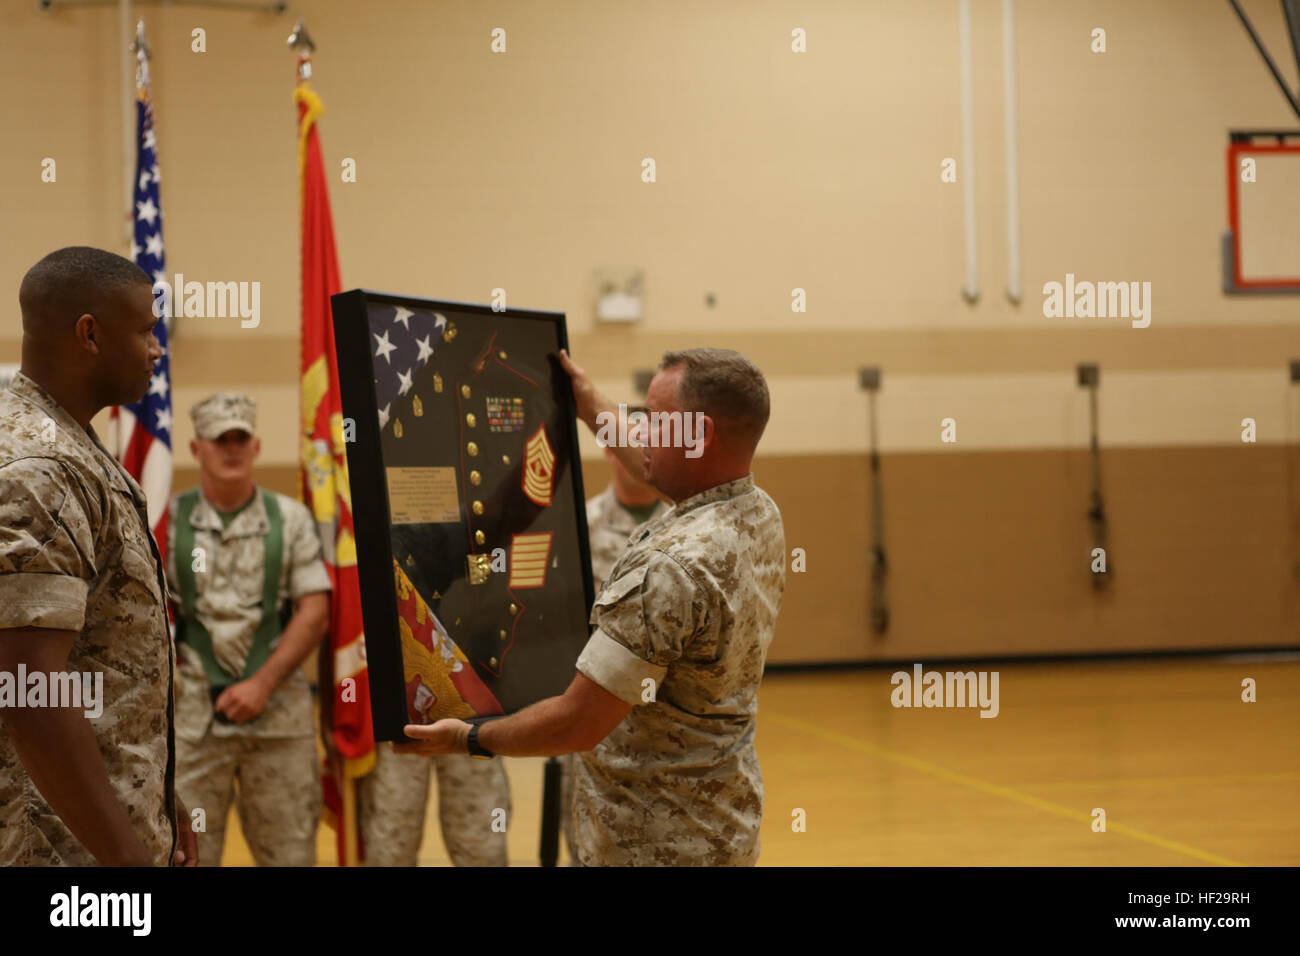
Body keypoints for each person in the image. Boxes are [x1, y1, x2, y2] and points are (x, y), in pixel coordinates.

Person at [398, 346, 786, 866]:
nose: (641, 432)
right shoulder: (755, 513)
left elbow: (580, 721)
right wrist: (585, 403)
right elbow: (656, 467)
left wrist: (470, 737)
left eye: (655, 421)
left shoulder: (668, 568)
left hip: (650, 841)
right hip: (717, 825)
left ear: (699, 436)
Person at [0, 246, 195, 866]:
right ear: (89, 334)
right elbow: (29, 690)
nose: (156, 351)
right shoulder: (40, 469)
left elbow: (102, 661)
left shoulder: (70, 443)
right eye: (145, 332)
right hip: (62, 853)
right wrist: (127, 862)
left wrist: (160, 796)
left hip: (101, 828)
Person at [168, 393, 331, 866]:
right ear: (197, 449)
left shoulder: (291, 518)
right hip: (194, 726)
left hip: (279, 723)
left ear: (257, 446)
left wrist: (261, 684)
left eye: (241, 438)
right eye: (220, 440)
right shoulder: (166, 520)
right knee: (185, 857)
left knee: (290, 856)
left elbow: (314, 609)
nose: (232, 449)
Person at [559, 434, 668, 863]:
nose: (640, 452)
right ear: (608, 448)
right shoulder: (578, 527)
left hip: (664, 728)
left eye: (651, 442)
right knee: (587, 845)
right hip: (594, 725)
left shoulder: (685, 529)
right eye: (630, 441)